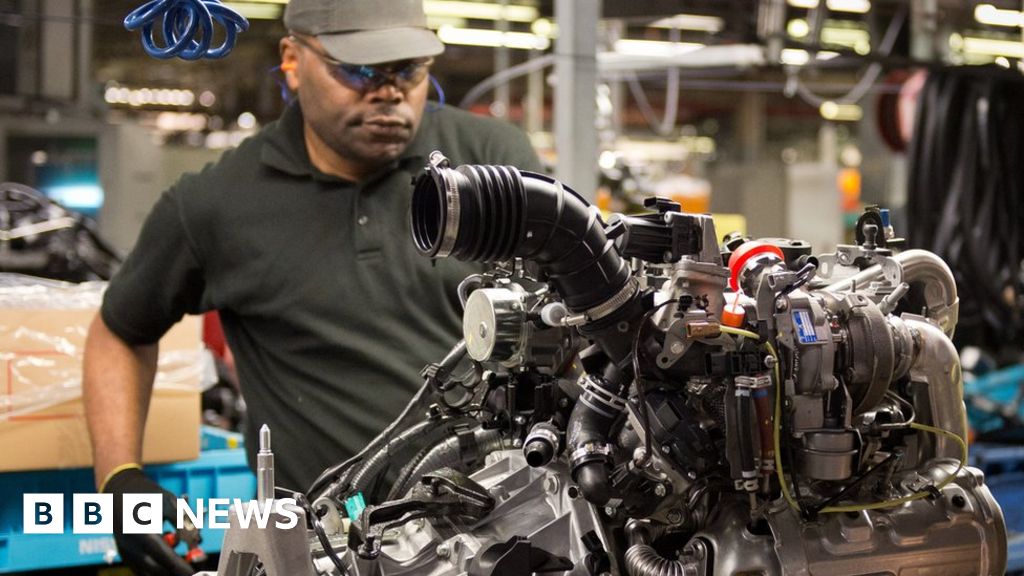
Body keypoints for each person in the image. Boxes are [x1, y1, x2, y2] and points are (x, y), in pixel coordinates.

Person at [82, 0, 542, 572]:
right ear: (293, 61)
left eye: (409, 70)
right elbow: (120, 332)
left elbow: (573, 323)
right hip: (332, 552)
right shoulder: (217, 205)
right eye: (360, 71)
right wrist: (120, 480)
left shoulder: (493, 168)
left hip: (506, 531)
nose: (389, 92)